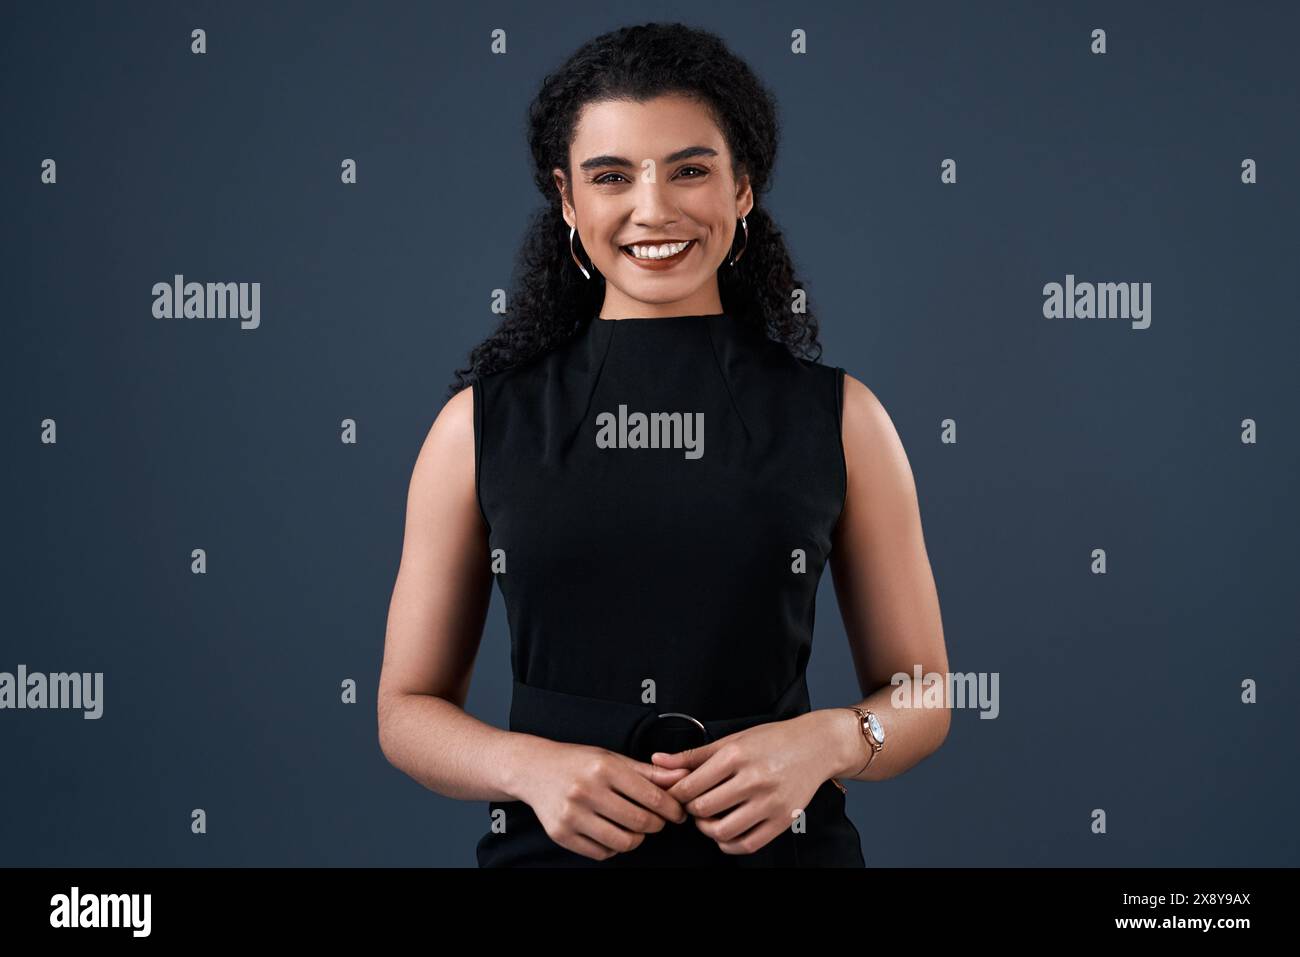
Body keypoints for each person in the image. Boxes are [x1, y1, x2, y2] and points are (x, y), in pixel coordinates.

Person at [377, 22, 950, 867]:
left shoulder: (842, 417)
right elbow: (405, 707)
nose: (655, 208)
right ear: (569, 202)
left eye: (691, 169)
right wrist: (524, 764)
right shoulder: (477, 425)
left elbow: (926, 692)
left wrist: (827, 740)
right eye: (613, 177)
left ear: (743, 187)